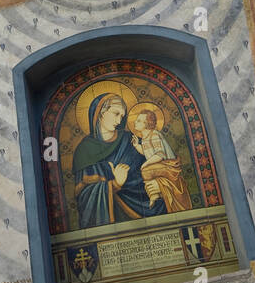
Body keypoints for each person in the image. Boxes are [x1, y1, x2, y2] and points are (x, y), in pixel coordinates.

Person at [72, 92, 167, 228]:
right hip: (111, 223)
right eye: (116, 114)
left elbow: (157, 166)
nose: (118, 121)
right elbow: (84, 196)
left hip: (147, 208)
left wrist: (160, 185)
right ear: (101, 112)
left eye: (122, 116)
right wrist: (115, 184)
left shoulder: (131, 140)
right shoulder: (84, 150)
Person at [128, 104, 192, 214]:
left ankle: (154, 194)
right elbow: (146, 152)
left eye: (139, 120)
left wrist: (145, 164)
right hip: (159, 165)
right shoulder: (144, 139)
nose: (135, 122)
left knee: (145, 170)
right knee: (146, 171)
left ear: (147, 123)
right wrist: (136, 146)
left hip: (169, 165)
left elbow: (160, 155)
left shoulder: (154, 135)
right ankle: (154, 194)